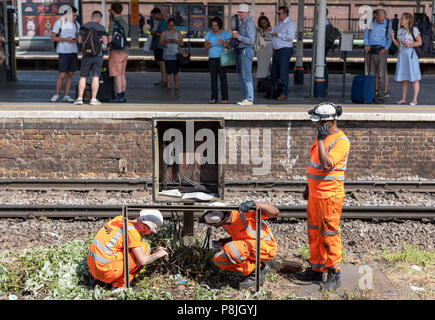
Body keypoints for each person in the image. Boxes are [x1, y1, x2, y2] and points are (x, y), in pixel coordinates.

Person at [295, 102, 350, 291]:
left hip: (330, 196)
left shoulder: (340, 141)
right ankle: (317, 269)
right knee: (314, 232)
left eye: (319, 123)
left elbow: (327, 165)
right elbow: (314, 165)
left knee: (329, 234)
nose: (316, 126)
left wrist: (320, 140)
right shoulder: (323, 138)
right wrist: (308, 187)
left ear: (329, 122)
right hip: (316, 194)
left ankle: (334, 273)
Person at [199, 201, 279, 289]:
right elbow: (238, 240)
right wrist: (219, 243)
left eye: (217, 225)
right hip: (249, 248)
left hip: (266, 247)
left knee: (231, 248)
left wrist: (255, 204)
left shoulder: (244, 214)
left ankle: (255, 275)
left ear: (224, 217)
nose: (217, 227)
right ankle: (259, 267)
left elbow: (275, 212)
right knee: (218, 259)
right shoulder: (227, 223)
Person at [87, 209, 169, 288]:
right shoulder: (132, 233)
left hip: (93, 268)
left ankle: (101, 281)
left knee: (133, 250)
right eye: (150, 231)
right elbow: (143, 260)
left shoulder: (119, 219)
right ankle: (119, 285)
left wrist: (154, 251)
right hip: (105, 272)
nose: (148, 234)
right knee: (145, 248)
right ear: (145, 227)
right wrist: (157, 255)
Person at [74, 11, 108, 106]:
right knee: (95, 77)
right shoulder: (101, 28)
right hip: (97, 55)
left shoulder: (84, 26)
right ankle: (93, 99)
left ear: (92, 17)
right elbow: (105, 43)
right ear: (99, 18)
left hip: (86, 55)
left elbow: (80, 41)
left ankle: (80, 98)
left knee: (83, 77)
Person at [50, 6, 80, 103]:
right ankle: (57, 94)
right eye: (74, 15)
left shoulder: (76, 24)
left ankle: (66, 95)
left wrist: (77, 40)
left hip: (73, 51)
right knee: (62, 74)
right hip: (63, 51)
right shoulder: (59, 23)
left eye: (76, 15)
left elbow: (78, 38)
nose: (75, 17)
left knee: (70, 74)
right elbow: (53, 38)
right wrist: (65, 39)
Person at [391, 12, 422, 106]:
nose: (401, 20)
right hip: (402, 55)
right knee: (404, 78)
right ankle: (403, 98)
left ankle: (415, 99)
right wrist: (392, 38)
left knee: (414, 78)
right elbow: (399, 46)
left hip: (411, 55)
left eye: (402, 18)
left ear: (407, 20)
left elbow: (420, 42)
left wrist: (409, 45)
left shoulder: (414, 30)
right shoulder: (400, 31)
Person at [363, 8, 392, 103]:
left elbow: (389, 38)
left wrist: (386, 48)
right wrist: (366, 44)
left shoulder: (388, 24)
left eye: (383, 18)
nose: (381, 20)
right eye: (380, 18)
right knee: (370, 75)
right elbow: (366, 35)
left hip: (381, 51)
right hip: (371, 50)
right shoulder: (370, 23)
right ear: (376, 16)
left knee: (381, 75)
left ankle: (380, 96)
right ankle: (370, 96)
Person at [232, 4, 256, 106]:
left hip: (247, 50)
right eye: (239, 12)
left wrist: (239, 37)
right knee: (242, 75)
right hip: (242, 50)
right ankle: (246, 97)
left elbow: (251, 40)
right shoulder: (243, 23)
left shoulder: (249, 23)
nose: (239, 14)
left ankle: (249, 98)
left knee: (246, 75)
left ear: (246, 12)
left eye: (241, 12)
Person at [270, 6, 296, 100]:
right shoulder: (280, 24)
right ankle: (274, 91)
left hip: (285, 50)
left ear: (285, 13)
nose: (278, 15)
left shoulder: (290, 24)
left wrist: (278, 34)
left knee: (283, 72)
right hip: (277, 50)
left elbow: (290, 37)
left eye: (279, 13)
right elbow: (274, 31)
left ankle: (284, 92)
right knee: (274, 72)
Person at [204, 17, 231, 104]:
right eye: (212, 26)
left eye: (215, 25)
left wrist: (223, 43)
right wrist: (208, 45)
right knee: (213, 79)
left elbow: (230, 47)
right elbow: (205, 48)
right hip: (212, 58)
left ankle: (225, 97)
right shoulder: (209, 34)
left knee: (223, 79)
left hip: (222, 58)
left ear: (219, 25)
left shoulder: (225, 34)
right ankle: (214, 97)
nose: (214, 27)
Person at [108, 2, 129, 103]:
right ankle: (123, 95)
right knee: (122, 74)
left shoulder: (114, 22)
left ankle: (119, 96)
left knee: (117, 75)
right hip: (125, 51)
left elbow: (110, 38)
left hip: (116, 51)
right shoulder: (124, 22)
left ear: (112, 11)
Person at [160, 18, 184, 92]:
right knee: (168, 72)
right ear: (167, 25)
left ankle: (176, 86)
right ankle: (169, 86)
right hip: (167, 55)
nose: (171, 27)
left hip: (176, 55)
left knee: (176, 72)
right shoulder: (164, 33)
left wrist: (176, 41)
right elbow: (161, 44)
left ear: (174, 25)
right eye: (170, 25)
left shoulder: (178, 33)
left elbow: (182, 44)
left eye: (172, 25)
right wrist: (166, 41)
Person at [150, 8, 168, 87]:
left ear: (157, 14)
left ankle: (165, 81)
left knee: (162, 63)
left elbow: (164, 35)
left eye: (153, 16)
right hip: (157, 45)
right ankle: (163, 79)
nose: (153, 17)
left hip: (161, 46)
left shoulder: (163, 23)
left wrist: (155, 33)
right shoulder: (158, 22)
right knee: (160, 63)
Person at [255, 15, 273, 90]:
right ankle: (258, 85)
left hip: (268, 50)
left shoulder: (271, 31)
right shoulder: (258, 31)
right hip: (261, 51)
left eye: (265, 22)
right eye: (262, 23)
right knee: (260, 67)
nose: (264, 24)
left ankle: (266, 85)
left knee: (268, 66)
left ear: (267, 22)